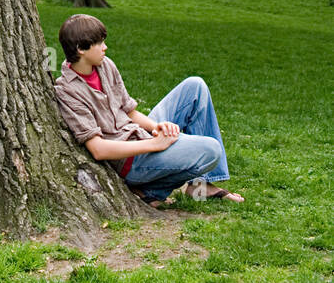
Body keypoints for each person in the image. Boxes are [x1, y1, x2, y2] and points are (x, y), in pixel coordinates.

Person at [53, 15, 243, 209]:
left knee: (195, 86)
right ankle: (152, 191)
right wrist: (154, 144)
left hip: (139, 133)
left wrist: (157, 126)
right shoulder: (67, 90)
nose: (105, 47)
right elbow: (98, 149)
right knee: (211, 150)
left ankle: (200, 184)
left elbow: (130, 112)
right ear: (81, 49)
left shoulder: (105, 65)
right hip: (129, 160)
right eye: (99, 43)